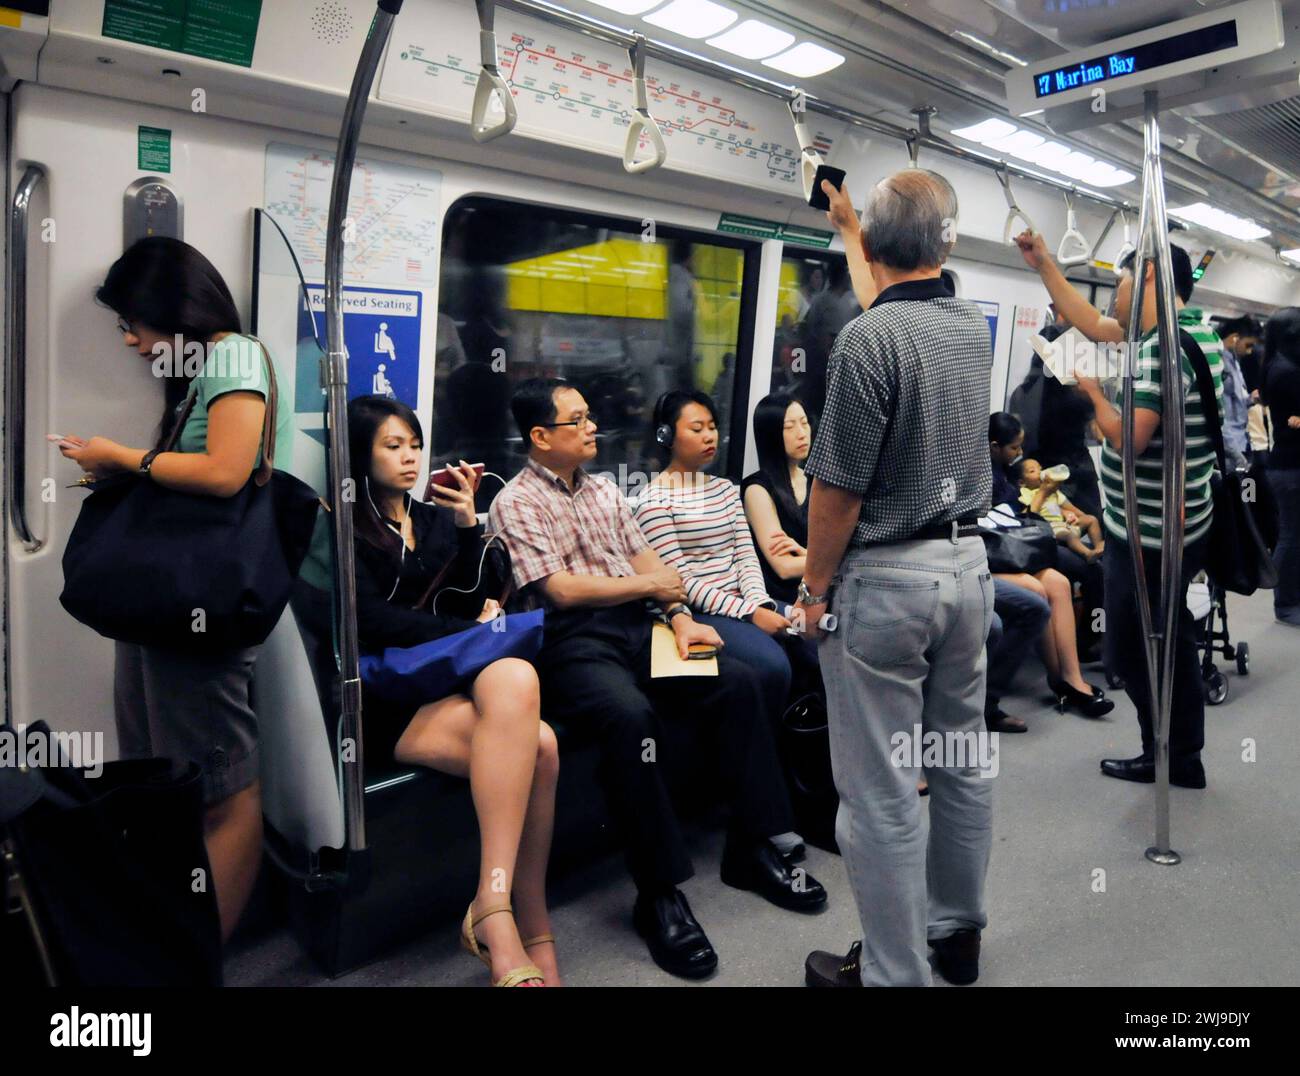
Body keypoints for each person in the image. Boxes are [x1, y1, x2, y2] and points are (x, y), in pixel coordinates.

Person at [489, 378, 826, 980]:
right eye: (578, 421)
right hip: (571, 642)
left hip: (634, 627)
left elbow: (648, 562)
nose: (593, 428)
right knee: (630, 718)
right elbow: (561, 590)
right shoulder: (515, 502)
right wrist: (653, 590)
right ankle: (659, 893)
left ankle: (752, 845)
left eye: (590, 417)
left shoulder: (603, 493)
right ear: (541, 437)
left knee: (740, 682)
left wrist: (678, 618)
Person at [59, 237, 292, 943]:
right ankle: (175, 935)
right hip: (167, 605)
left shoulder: (234, 354)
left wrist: (121, 457)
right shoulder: (201, 370)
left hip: (201, 606)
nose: (131, 340)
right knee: (165, 770)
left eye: (134, 322)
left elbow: (225, 472)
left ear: (174, 311)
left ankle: (200, 962)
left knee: (223, 785)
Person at [797, 168, 994, 989]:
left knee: (878, 792)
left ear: (876, 248)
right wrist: (853, 224)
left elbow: (836, 493)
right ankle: (956, 937)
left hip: (886, 587)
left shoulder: (865, 341)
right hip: (967, 571)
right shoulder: (969, 325)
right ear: (944, 245)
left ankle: (891, 975)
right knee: (957, 760)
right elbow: (895, 293)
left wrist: (811, 593)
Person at [348, 395, 560, 988]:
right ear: (361, 453)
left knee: (517, 680)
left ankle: (499, 908)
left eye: (415, 444)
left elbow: (466, 600)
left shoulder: (437, 519)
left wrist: (469, 526)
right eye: (393, 446)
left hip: (444, 683)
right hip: (388, 700)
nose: (410, 457)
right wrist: (464, 631)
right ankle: (519, 918)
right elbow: (370, 619)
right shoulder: (339, 527)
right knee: (539, 747)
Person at [1077, 247, 1223, 788]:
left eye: (1121, 281)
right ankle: (1181, 754)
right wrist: (1045, 264)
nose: (1115, 295)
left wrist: (1095, 395)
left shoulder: (1159, 351)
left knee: (1134, 650)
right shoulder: (1198, 333)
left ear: (1151, 276)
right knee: (1171, 635)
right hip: (1185, 521)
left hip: (1148, 533)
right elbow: (1094, 320)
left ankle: (1165, 754)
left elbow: (1130, 441)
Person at [988, 413, 1112, 718]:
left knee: (1058, 582)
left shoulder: (1005, 471)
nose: (1019, 454)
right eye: (1014, 448)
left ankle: (1072, 677)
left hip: (1012, 549)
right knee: (1036, 590)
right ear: (994, 446)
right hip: (991, 553)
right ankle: (1059, 681)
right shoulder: (984, 475)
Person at [742, 393, 813, 609]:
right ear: (770, 434)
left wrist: (810, 556)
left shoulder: (816, 481)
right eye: (789, 427)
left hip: (818, 592)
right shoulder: (758, 489)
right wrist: (832, 561)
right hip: (781, 601)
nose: (801, 434)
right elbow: (783, 567)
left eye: (804, 423)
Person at [1261, 307, 1300, 626]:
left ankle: (1291, 596)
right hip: (1290, 466)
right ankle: (1284, 602)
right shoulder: (1286, 372)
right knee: (1290, 536)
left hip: (1287, 463)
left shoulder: (1280, 365)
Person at [1019, 458, 1104, 562]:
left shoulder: (1054, 491)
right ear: (1022, 482)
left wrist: (1073, 516)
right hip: (1050, 529)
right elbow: (1027, 515)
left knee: (1091, 519)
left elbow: (1072, 510)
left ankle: (1099, 547)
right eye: (1032, 471)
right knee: (1069, 535)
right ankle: (1087, 554)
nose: (1040, 473)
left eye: (1040, 469)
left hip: (1064, 524)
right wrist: (1043, 493)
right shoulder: (1027, 493)